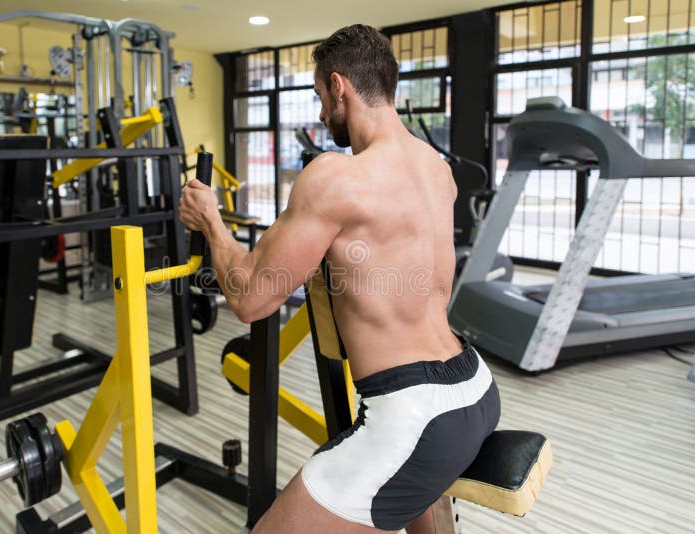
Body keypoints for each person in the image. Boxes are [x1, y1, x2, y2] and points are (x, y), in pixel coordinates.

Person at [179, 24, 500, 534]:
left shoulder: (336, 177)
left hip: (413, 415)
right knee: (406, 490)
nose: (321, 113)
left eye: (318, 97)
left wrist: (212, 221)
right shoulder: (438, 171)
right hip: (475, 387)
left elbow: (250, 300)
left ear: (339, 86)